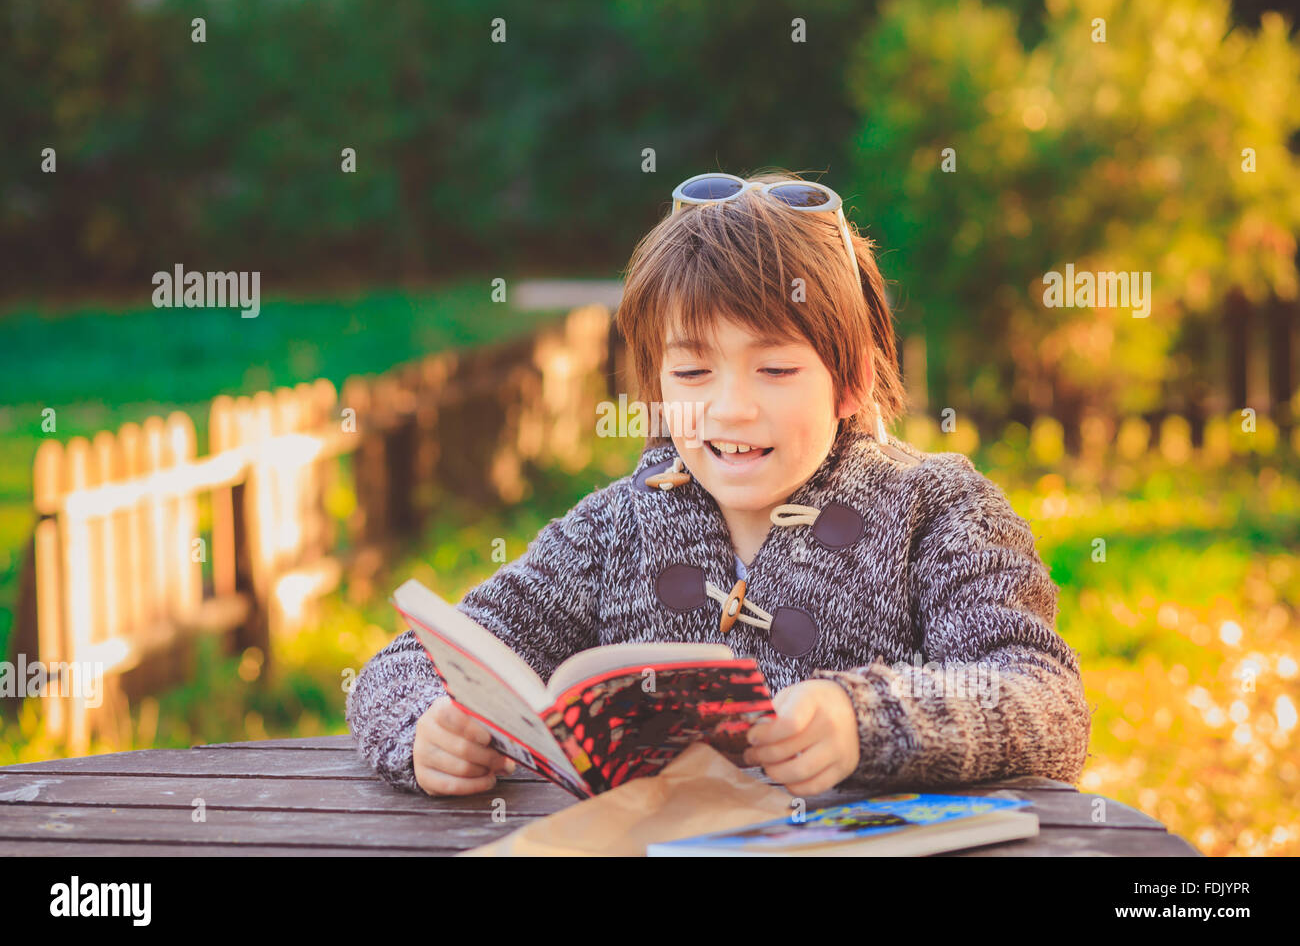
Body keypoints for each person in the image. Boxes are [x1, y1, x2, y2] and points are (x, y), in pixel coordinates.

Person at [346, 167, 1092, 798]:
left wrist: (864, 720)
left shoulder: (939, 514)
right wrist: (426, 734)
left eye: (774, 369)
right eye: (693, 370)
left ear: (852, 379)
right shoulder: (616, 528)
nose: (730, 407)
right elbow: (410, 663)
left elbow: (1046, 702)